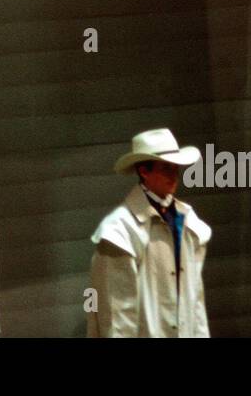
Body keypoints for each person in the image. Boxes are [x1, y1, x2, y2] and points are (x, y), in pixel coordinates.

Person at [88, 128, 211, 337]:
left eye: (176, 168)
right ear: (144, 171)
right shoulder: (120, 230)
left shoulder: (187, 220)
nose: (174, 175)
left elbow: (195, 298)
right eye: (166, 168)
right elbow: (117, 311)